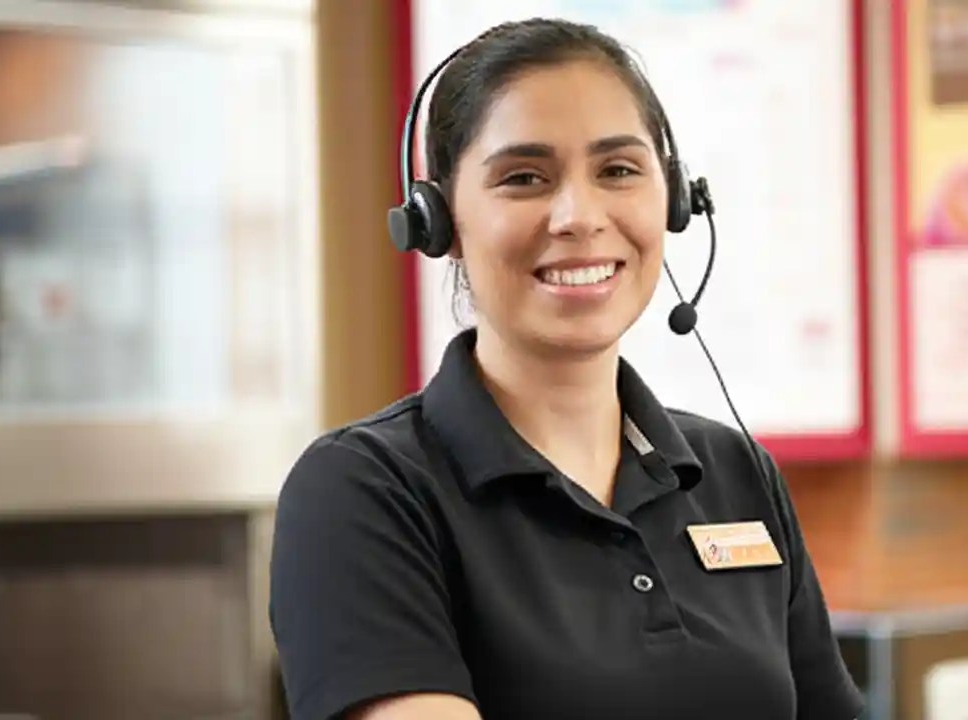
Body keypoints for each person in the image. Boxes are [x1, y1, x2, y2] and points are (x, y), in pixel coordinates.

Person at [269, 17, 863, 720]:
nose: (579, 215)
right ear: (440, 221)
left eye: (617, 170)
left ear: (672, 200)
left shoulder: (734, 471)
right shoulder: (364, 490)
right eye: (524, 178)